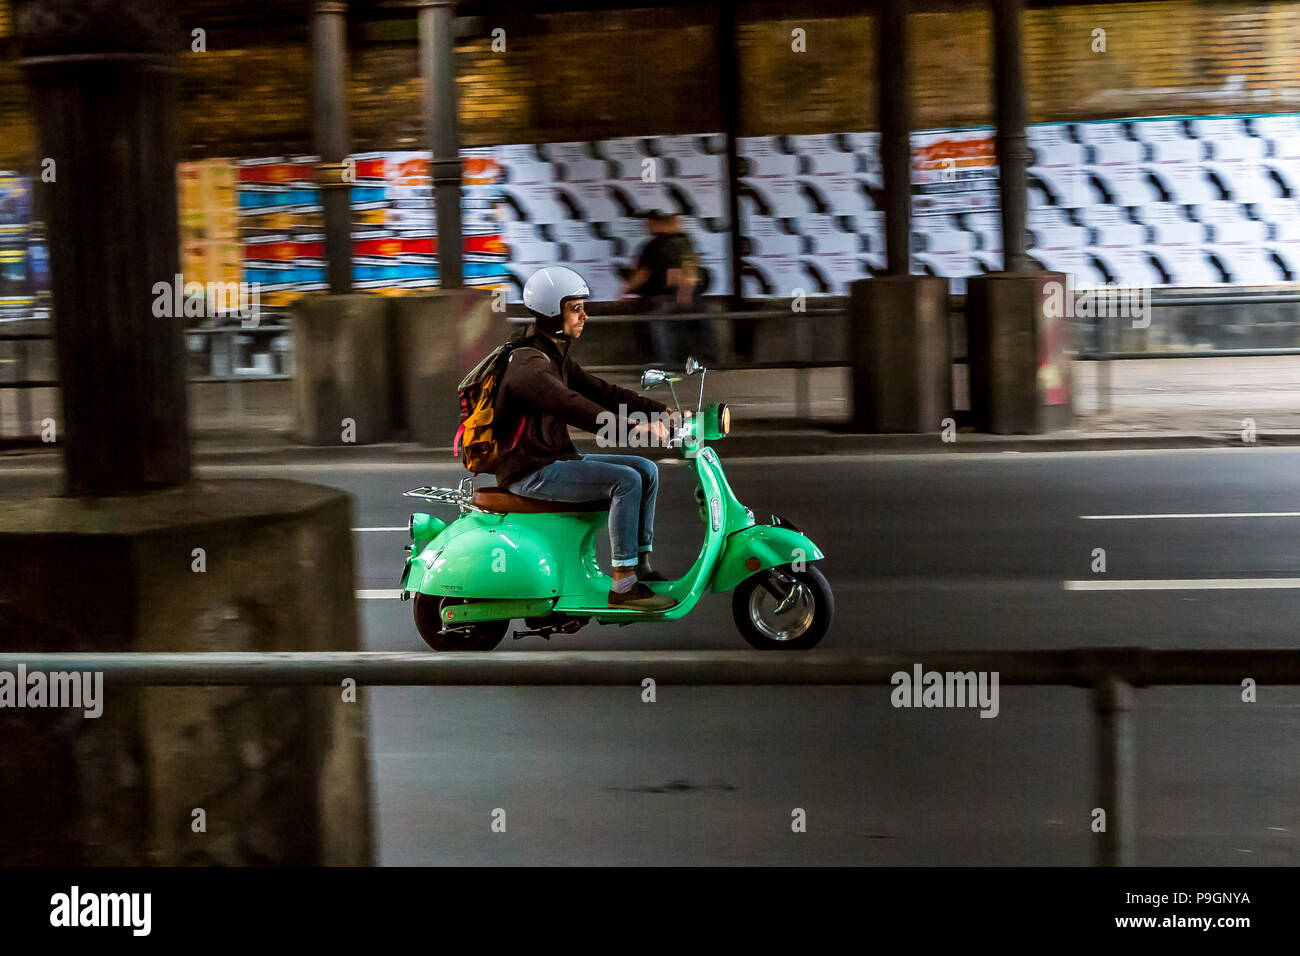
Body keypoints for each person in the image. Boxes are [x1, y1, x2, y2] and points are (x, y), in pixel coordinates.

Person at [493, 265, 677, 611]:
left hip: (554, 458)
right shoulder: (528, 365)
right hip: (530, 471)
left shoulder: (552, 354)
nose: (584, 316)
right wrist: (631, 429)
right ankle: (623, 584)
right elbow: (573, 406)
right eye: (575, 308)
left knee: (646, 470)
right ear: (552, 312)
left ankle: (640, 566)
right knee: (625, 481)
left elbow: (601, 392)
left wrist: (659, 411)